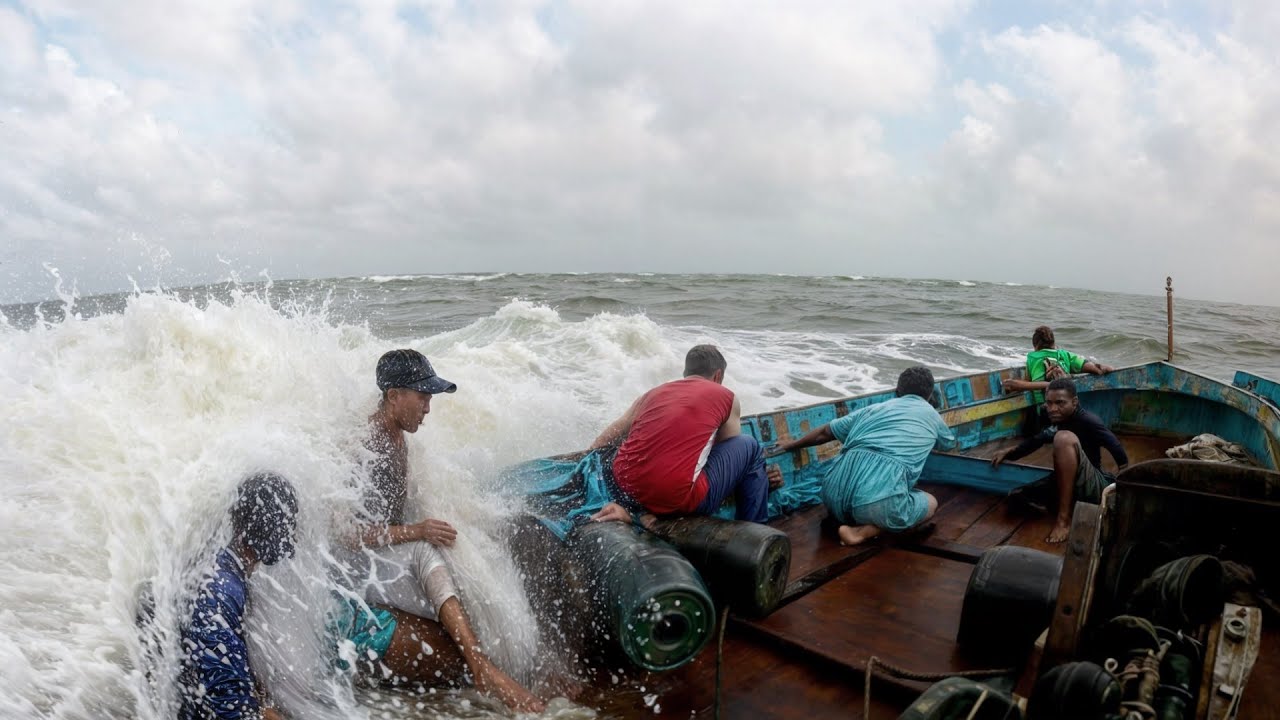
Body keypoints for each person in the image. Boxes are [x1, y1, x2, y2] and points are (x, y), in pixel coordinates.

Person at [344, 349, 544, 713]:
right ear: (393, 396)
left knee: (462, 555)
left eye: (430, 398)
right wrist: (416, 530)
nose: (428, 408)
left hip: (385, 557)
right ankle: (483, 669)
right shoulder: (367, 445)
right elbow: (347, 535)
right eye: (422, 397)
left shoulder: (398, 437)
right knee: (425, 551)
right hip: (355, 568)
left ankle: (523, 665)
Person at [769, 367, 956, 546]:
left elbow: (825, 432)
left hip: (832, 493)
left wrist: (792, 444)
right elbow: (948, 444)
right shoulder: (932, 415)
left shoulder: (873, 409)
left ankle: (853, 517)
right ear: (930, 394)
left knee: (868, 498)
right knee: (930, 503)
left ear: (897, 391)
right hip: (874, 504)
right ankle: (860, 533)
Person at [589, 344, 773, 526]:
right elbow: (725, 452)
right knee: (749, 446)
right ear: (718, 376)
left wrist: (586, 454)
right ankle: (756, 525)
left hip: (623, 488)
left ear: (686, 373)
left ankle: (637, 512)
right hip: (675, 499)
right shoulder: (726, 396)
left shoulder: (652, 394)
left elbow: (608, 436)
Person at [178, 473, 298, 720]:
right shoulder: (221, 594)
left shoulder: (218, 566)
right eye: (288, 524)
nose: (292, 536)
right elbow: (233, 711)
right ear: (270, 528)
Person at [991, 377, 1129, 544]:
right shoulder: (1059, 419)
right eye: (1048, 403)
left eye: (1060, 403)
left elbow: (1117, 450)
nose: (1052, 409)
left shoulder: (1088, 421)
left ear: (1075, 402)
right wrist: (1009, 452)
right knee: (1016, 498)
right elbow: (1037, 440)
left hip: (1092, 484)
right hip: (1066, 480)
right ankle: (1065, 503)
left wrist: (1123, 488)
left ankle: (1063, 520)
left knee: (1063, 439)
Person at [1002, 325, 1114, 404]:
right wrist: (1101, 368)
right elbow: (1091, 367)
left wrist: (1015, 385)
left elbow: (1028, 381)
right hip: (1065, 403)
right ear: (1054, 343)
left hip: (1043, 406)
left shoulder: (1032, 357)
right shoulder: (1065, 355)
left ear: (1035, 346)